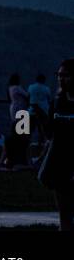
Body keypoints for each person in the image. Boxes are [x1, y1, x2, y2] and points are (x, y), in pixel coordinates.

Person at [37, 59, 74, 231]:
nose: (61, 79)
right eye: (59, 75)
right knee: (64, 210)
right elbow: (51, 133)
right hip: (60, 159)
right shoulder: (58, 101)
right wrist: (41, 118)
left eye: (65, 75)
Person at [6, 73, 30, 168]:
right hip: (21, 109)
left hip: (13, 108)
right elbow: (27, 95)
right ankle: (23, 155)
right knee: (23, 132)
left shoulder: (10, 88)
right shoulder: (17, 87)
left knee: (15, 128)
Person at [29, 72, 53, 143]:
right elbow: (49, 99)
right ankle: (41, 143)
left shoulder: (31, 87)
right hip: (43, 111)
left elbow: (29, 96)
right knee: (42, 129)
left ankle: (28, 143)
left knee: (30, 129)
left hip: (32, 110)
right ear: (43, 80)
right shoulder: (46, 88)